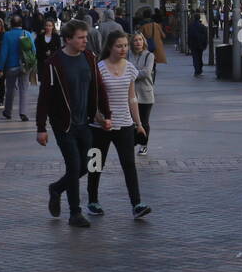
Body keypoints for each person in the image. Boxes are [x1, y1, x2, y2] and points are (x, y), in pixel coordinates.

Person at [36, 18, 111, 228]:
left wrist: (106, 114)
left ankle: (57, 188)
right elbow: (44, 98)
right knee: (74, 165)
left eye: (86, 37)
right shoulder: (54, 63)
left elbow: (100, 87)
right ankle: (75, 213)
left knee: (88, 165)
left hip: (85, 122)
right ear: (68, 39)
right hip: (64, 124)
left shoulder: (89, 57)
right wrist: (41, 128)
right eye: (80, 38)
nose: (85, 41)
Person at [86, 31, 152, 219]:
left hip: (124, 124)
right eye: (119, 46)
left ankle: (137, 203)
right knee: (96, 163)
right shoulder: (98, 68)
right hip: (100, 126)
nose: (123, 49)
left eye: (125, 45)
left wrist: (138, 123)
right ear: (110, 47)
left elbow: (132, 97)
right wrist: (99, 118)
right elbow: (94, 98)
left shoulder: (130, 68)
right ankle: (92, 200)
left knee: (129, 164)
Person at [0, 13, 35, 122]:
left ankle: (8, 111)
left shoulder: (7, 35)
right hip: (24, 66)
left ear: (11, 24)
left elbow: (3, 53)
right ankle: (23, 113)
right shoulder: (27, 34)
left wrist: (0, 67)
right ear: (21, 24)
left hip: (11, 67)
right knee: (23, 89)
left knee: (10, 90)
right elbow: (33, 50)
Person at [129, 30, 156, 156]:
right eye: (135, 40)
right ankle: (132, 142)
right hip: (130, 93)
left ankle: (143, 144)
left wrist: (131, 74)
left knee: (144, 121)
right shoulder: (128, 55)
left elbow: (146, 72)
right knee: (131, 121)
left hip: (145, 94)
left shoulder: (149, 55)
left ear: (143, 41)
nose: (138, 42)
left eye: (140, 40)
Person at [138, 12, 168, 81]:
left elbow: (139, 36)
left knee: (148, 61)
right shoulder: (156, 25)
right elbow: (163, 36)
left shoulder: (143, 26)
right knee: (154, 62)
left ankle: (150, 76)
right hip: (156, 47)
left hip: (147, 46)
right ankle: (152, 76)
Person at [187, 13, 209, 77]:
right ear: (199, 18)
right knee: (199, 57)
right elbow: (205, 36)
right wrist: (205, 44)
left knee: (195, 57)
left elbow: (189, 36)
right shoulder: (202, 26)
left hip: (193, 44)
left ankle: (197, 70)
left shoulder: (190, 26)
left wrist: (189, 44)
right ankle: (199, 70)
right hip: (200, 44)